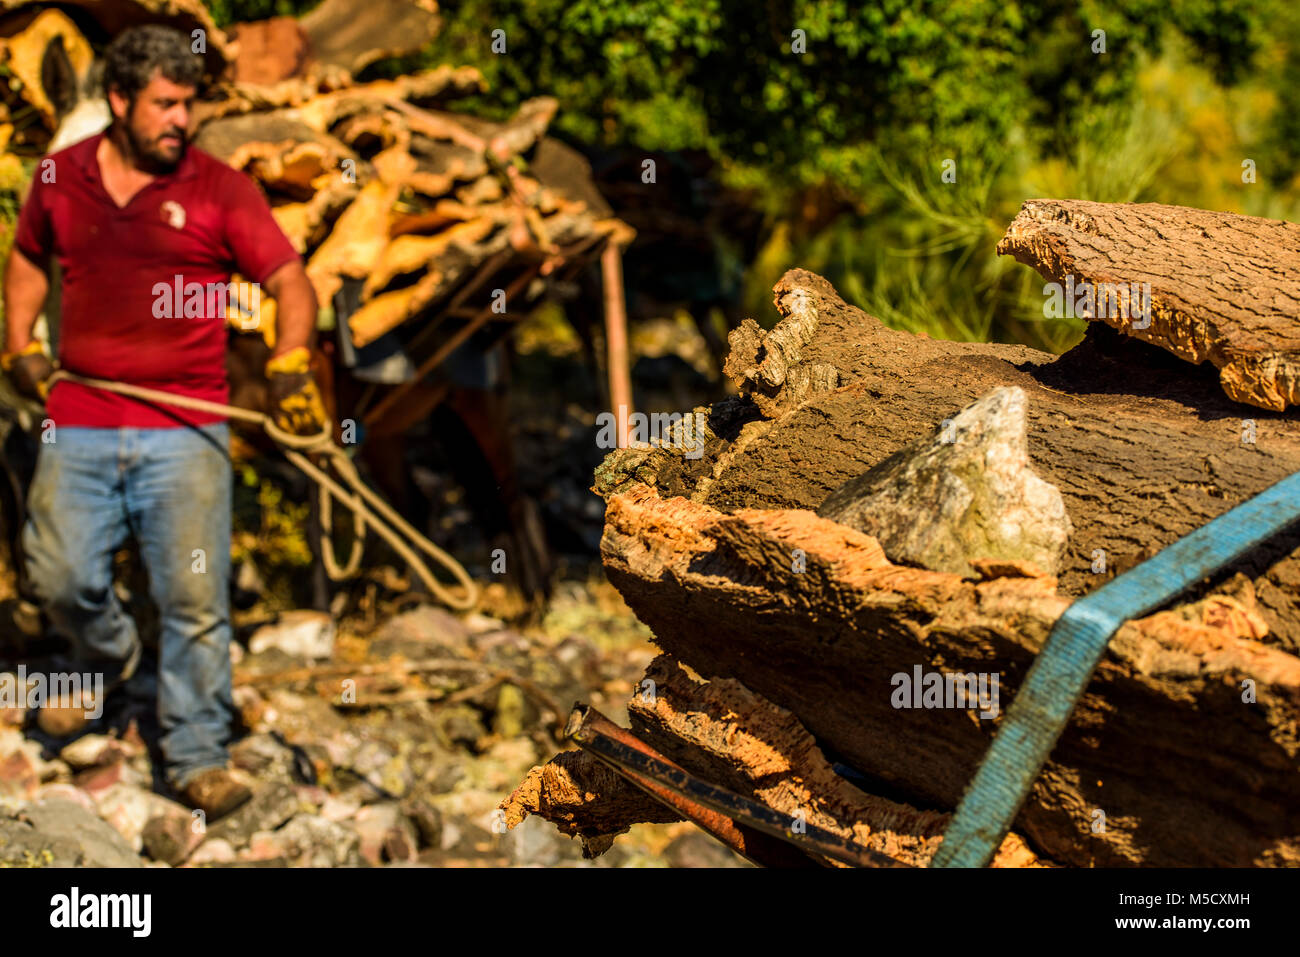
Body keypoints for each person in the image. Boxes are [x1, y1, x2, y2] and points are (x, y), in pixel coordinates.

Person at [0, 24, 327, 819]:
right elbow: (25, 259)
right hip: (77, 416)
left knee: (192, 595)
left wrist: (289, 361)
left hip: (187, 429)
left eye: (189, 104)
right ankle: (110, 657)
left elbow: (290, 280)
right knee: (59, 575)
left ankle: (193, 752)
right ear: (119, 101)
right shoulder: (59, 179)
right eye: (166, 104)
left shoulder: (220, 188)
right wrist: (19, 345)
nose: (182, 119)